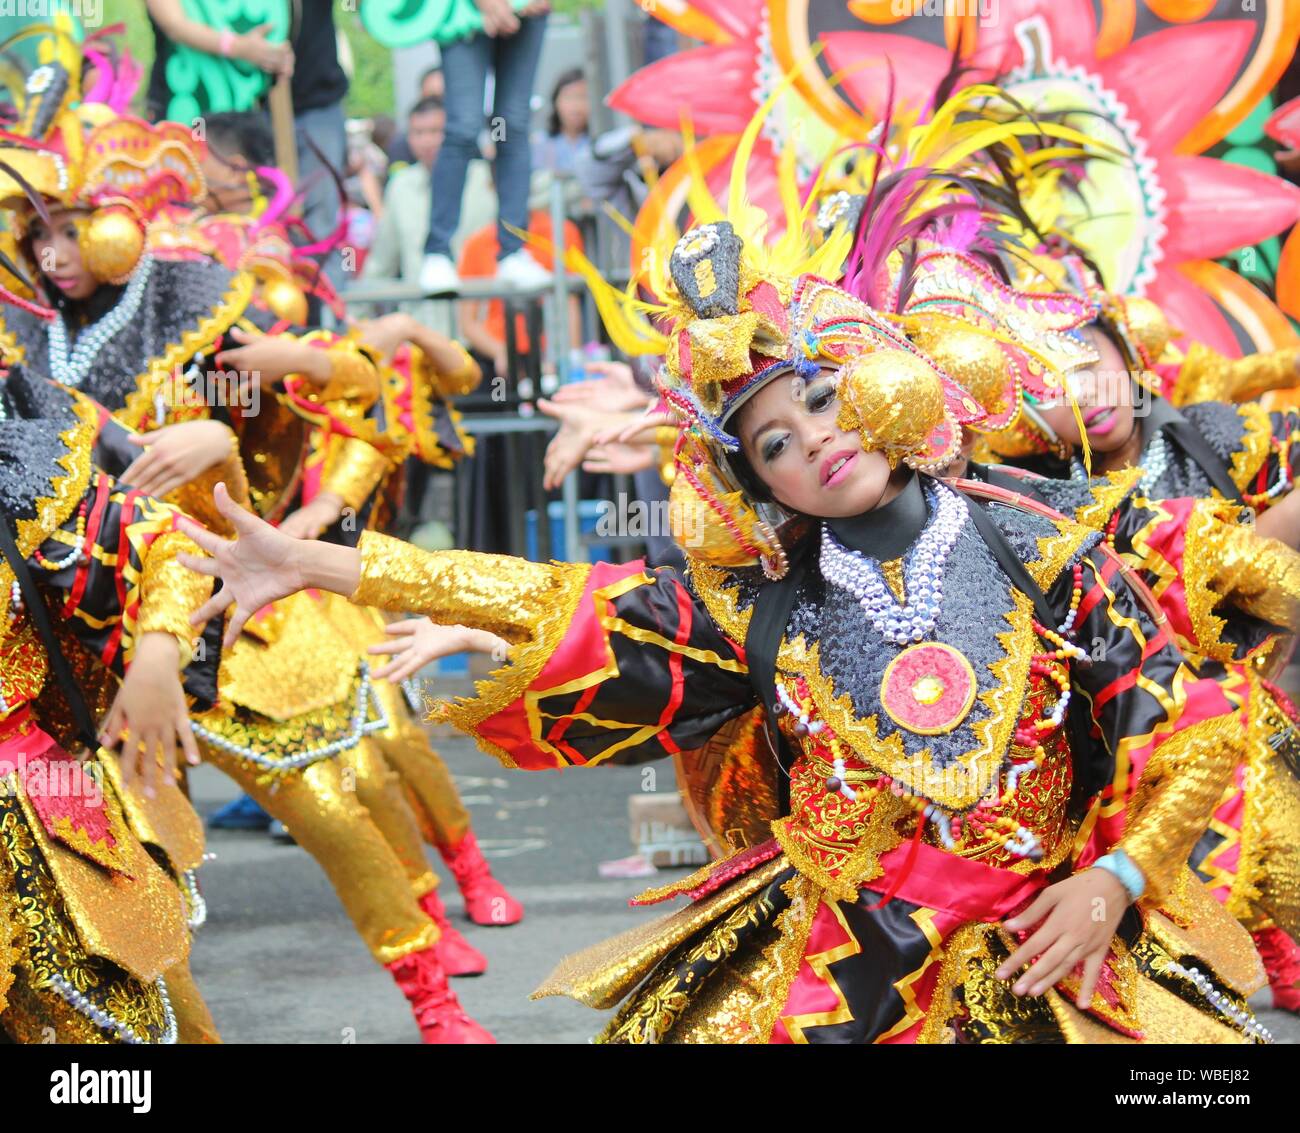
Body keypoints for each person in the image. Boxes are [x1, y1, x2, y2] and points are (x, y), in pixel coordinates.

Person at [179, 162, 1273, 1043]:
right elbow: (564, 595)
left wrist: (1116, 882)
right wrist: (321, 565)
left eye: (821, 398)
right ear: (759, 485)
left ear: (879, 376)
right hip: (847, 970)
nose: (816, 441)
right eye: (774, 444)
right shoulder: (760, 610)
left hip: (1053, 943)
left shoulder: (1039, 539)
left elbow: (1190, 728)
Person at [418, 1, 553, 295]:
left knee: (512, 125)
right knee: (463, 128)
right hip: (462, 10)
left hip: (527, 12)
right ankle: (437, 253)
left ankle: (513, 251)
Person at [364, 95, 497, 285]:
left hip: (479, 308)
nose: (427, 141)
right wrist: (354, 312)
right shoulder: (400, 186)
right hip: (420, 310)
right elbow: (381, 261)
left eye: (435, 131)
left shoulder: (486, 177)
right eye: (418, 132)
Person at [531, 67, 590, 178]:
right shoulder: (539, 143)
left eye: (582, 97)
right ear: (556, 101)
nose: (575, 106)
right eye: (569, 97)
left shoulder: (599, 145)